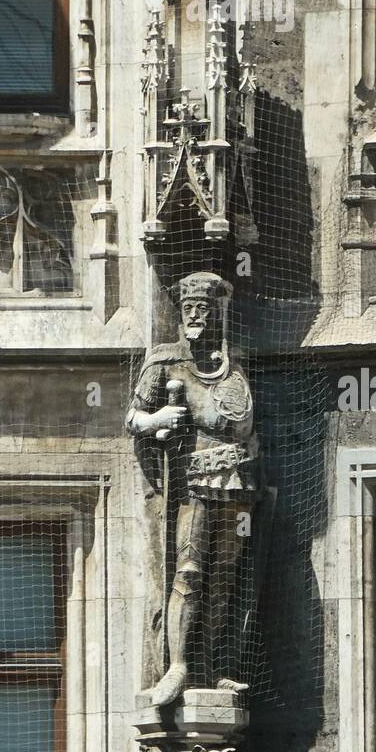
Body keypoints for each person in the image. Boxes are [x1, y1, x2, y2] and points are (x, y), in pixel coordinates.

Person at [126, 271, 259, 707]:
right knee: (188, 571)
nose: (196, 316)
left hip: (237, 483)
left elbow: (243, 427)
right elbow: (134, 419)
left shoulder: (233, 366)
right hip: (192, 484)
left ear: (219, 314)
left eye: (205, 309)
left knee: (225, 576)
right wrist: (160, 420)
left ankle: (217, 666)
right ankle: (178, 664)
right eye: (190, 309)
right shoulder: (166, 362)